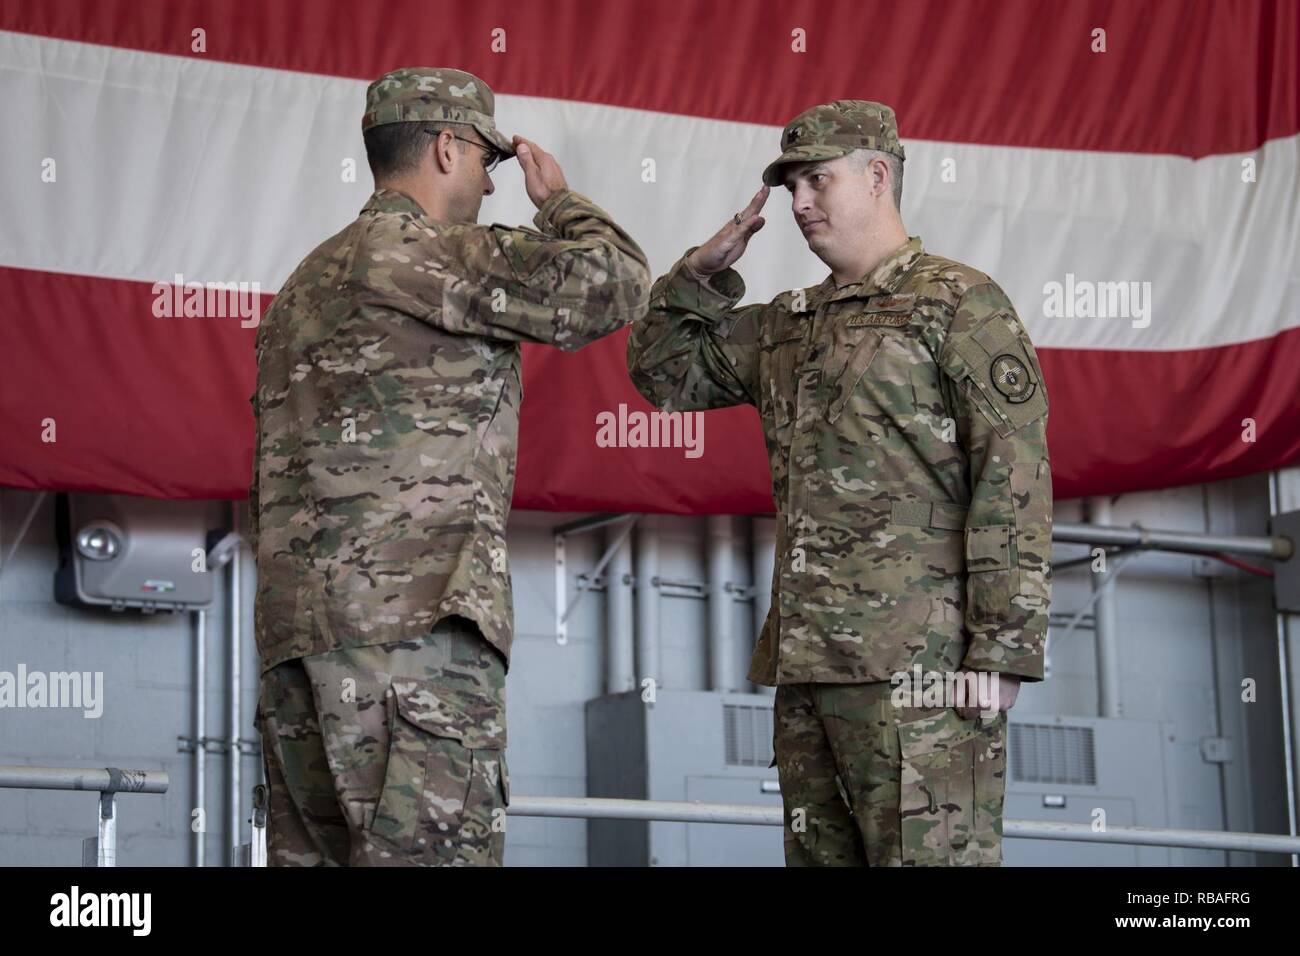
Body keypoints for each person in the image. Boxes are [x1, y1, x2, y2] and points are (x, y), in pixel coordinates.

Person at [626, 99, 1051, 866]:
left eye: (817, 180)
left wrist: (1002, 650)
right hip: (808, 665)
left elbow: (1012, 479)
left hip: (923, 669)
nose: (798, 203)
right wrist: (699, 273)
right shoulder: (788, 324)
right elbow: (663, 376)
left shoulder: (957, 303)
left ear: (878, 175)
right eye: (790, 186)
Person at [250, 66, 650, 866]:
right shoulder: (441, 255)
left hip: (297, 648)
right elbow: (617, 283)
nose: (493, 187)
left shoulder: (302, 284)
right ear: (447, 147)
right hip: (415, 644)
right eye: (488, 163)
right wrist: (561, 202)